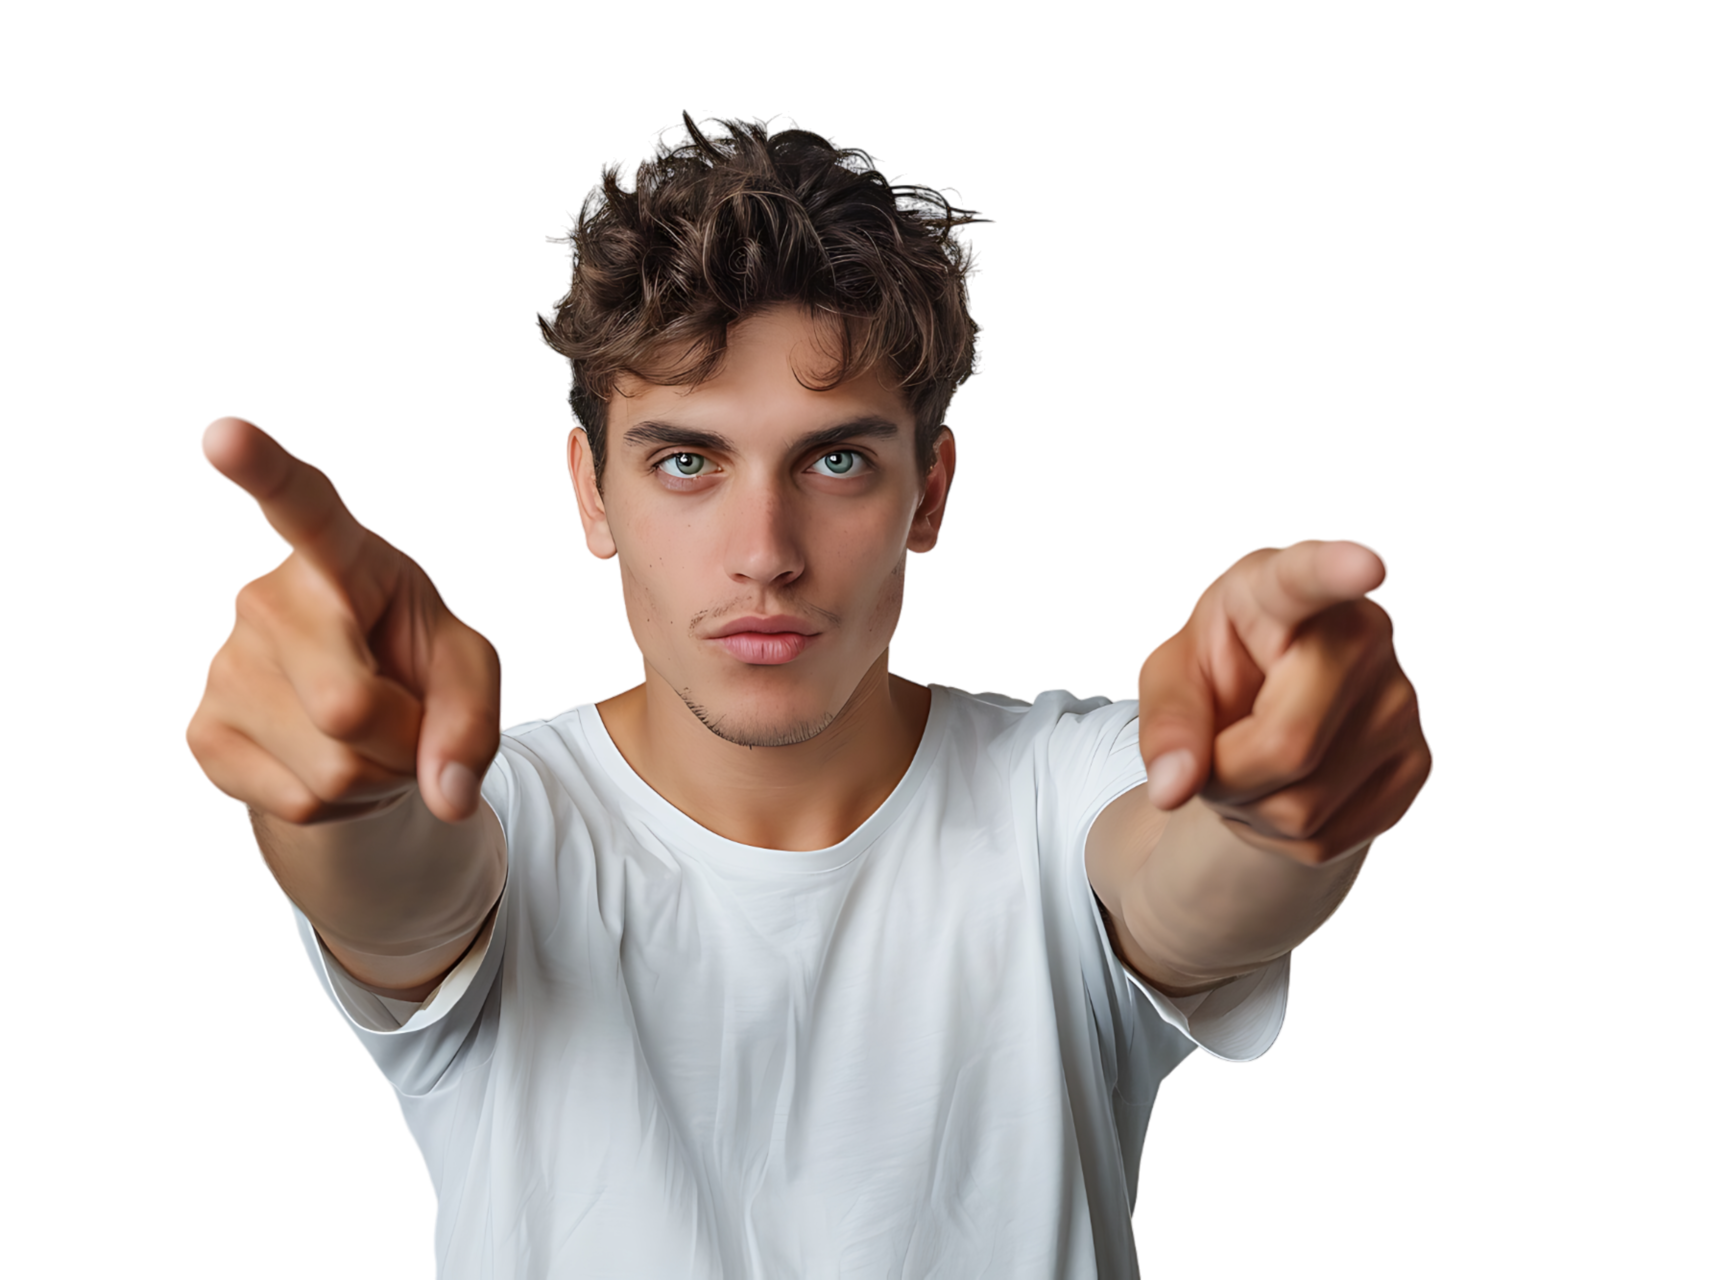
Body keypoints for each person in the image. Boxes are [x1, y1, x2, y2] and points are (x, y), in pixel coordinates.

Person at [182, 109, 1431, 1277]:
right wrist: (339, 801)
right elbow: (401, 901)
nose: (765, 548)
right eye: (686, 459)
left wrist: (1273, 810)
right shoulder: (501, 813)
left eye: (836, 459)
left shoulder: (1065, 787)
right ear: (590, 492)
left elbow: (1191, 890)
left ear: (930, 493)